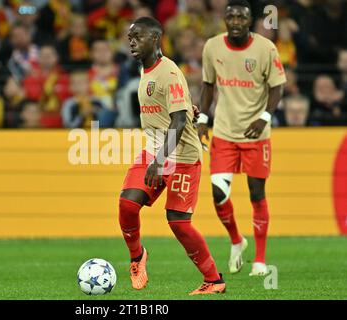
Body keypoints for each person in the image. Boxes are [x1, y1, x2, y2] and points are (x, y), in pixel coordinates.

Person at [120, 16, 225, 295]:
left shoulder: (167, 72)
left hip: (182, 156)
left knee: (178, 222)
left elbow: (178, 121)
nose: (132, 41)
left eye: (138, 36)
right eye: (130, 37)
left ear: (155, 39)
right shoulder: (146, 69)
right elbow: (181, 109)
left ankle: (213, 280)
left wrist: (159, 161)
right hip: (156, 147)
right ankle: (137, 257)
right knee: (127, 205)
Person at [196, 0, 286, 276]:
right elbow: (208, 85)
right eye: (231, 16)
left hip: (256, 136)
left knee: (256, 194)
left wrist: (265, 117)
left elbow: (277, 87)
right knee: (218, 194)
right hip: (224, 132)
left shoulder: (265, 48)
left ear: (250, 21)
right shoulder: (212, 47)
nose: (235, 21)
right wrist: (202, 119)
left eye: (241, 17)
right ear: (224, 20)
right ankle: (236, 240)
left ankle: (259, 260)